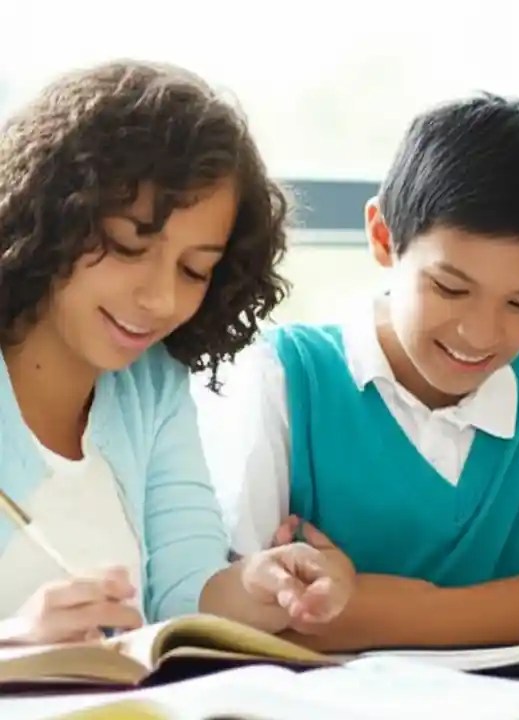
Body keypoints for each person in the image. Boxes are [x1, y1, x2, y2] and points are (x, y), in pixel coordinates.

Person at [201, 95, 519, 651]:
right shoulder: (285, 378)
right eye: (450, 288)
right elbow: (232, 604)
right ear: (383, 237)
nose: (480, 334)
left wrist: (368, 609)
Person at [0, 61, 354, 644]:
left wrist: (265, 586)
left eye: (196, 270)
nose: (161, 299)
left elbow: (184, 594)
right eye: (128, 246)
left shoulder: (151, 387)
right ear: (52, 215)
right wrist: (15, 641)